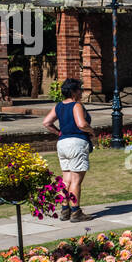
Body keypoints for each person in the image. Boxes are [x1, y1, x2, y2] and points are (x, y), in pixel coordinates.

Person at [41, 77, 93, 222]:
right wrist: (91, 131)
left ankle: (65, 209)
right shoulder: (76, 105)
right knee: (76, 180)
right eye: (80, 89)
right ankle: (76, 212)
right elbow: (81, 124)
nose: (82, 92)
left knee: (66, 180)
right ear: (74, 91)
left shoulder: (59, 106)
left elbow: (46, 122)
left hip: (62, 144)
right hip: (76, 143)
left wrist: (58, 132)